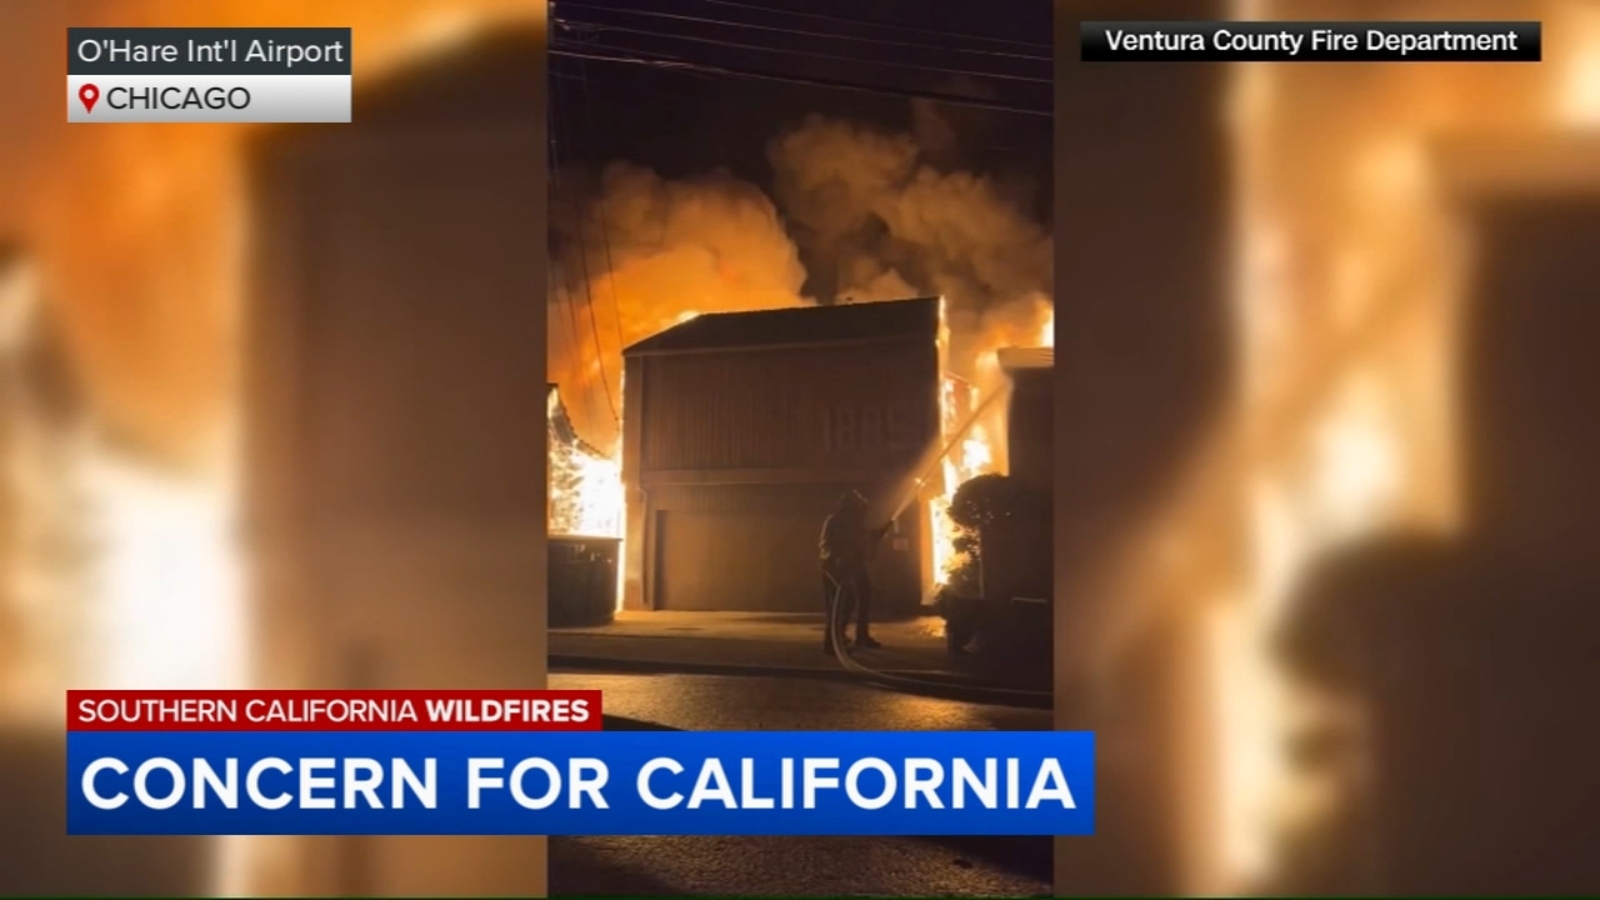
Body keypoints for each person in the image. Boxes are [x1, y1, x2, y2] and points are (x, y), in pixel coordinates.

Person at [819, 490, 891, 654]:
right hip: (836, 567)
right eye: (858, 505)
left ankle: (861, 636)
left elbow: (862, 538)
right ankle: (832, 641)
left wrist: (879, 533)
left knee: (864, 596)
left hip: (854, 565)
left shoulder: (852, 521)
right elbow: (835, 544)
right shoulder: (836, 521)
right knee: (842, 602)